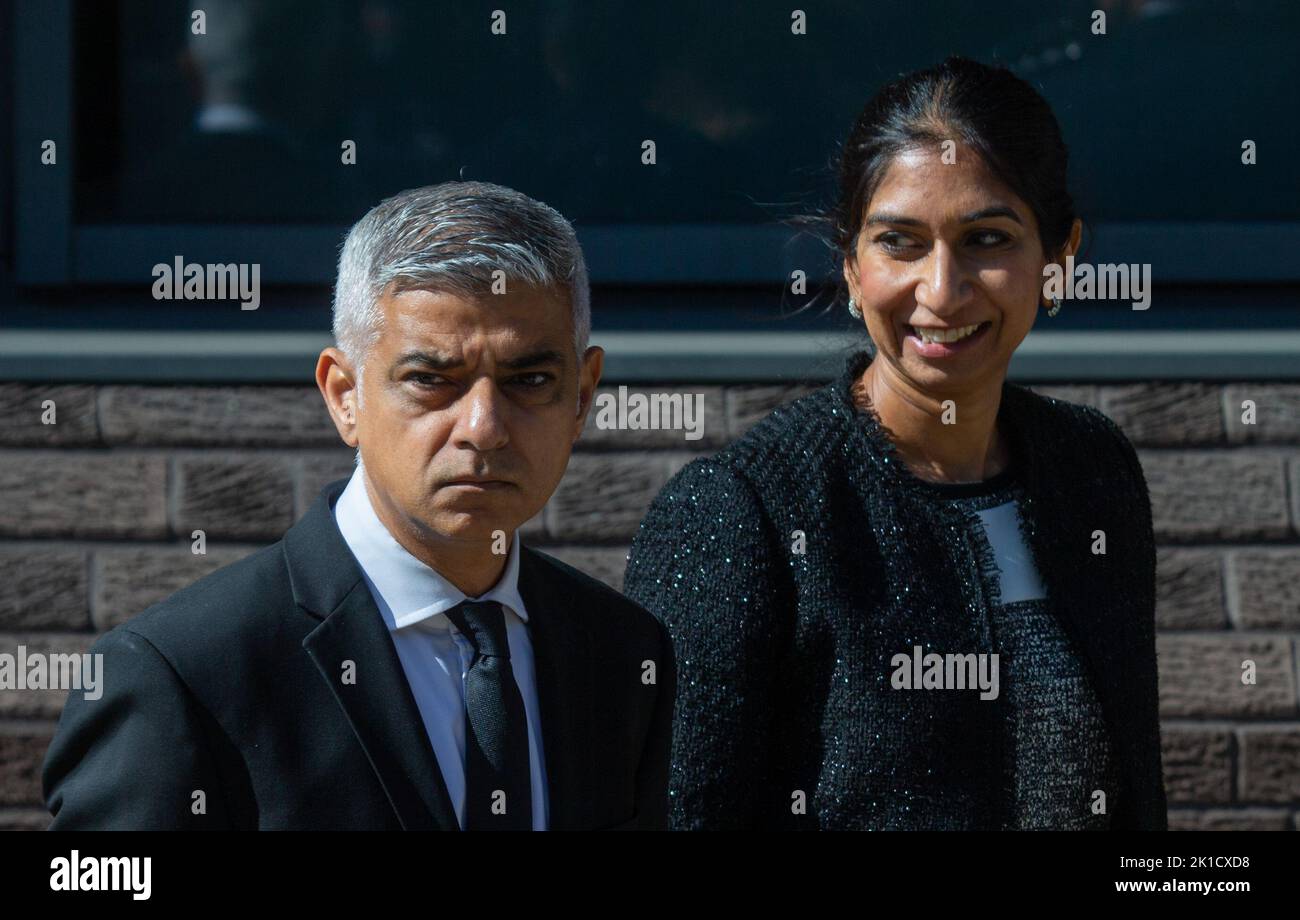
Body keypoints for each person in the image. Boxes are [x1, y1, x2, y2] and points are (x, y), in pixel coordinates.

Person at [624, 57, 1166, 830]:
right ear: (849, 266)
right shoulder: (743, 513)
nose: (942, 290)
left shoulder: (1094, 469)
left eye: (987, 238)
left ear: (1060, 259)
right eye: (900, 243)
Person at [43, 181, 675, 831]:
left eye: (531, 380)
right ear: (345, 395)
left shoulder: (622, 656)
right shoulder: (184, 674)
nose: (483, 426)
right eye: (431, 380)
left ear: (583, 394)